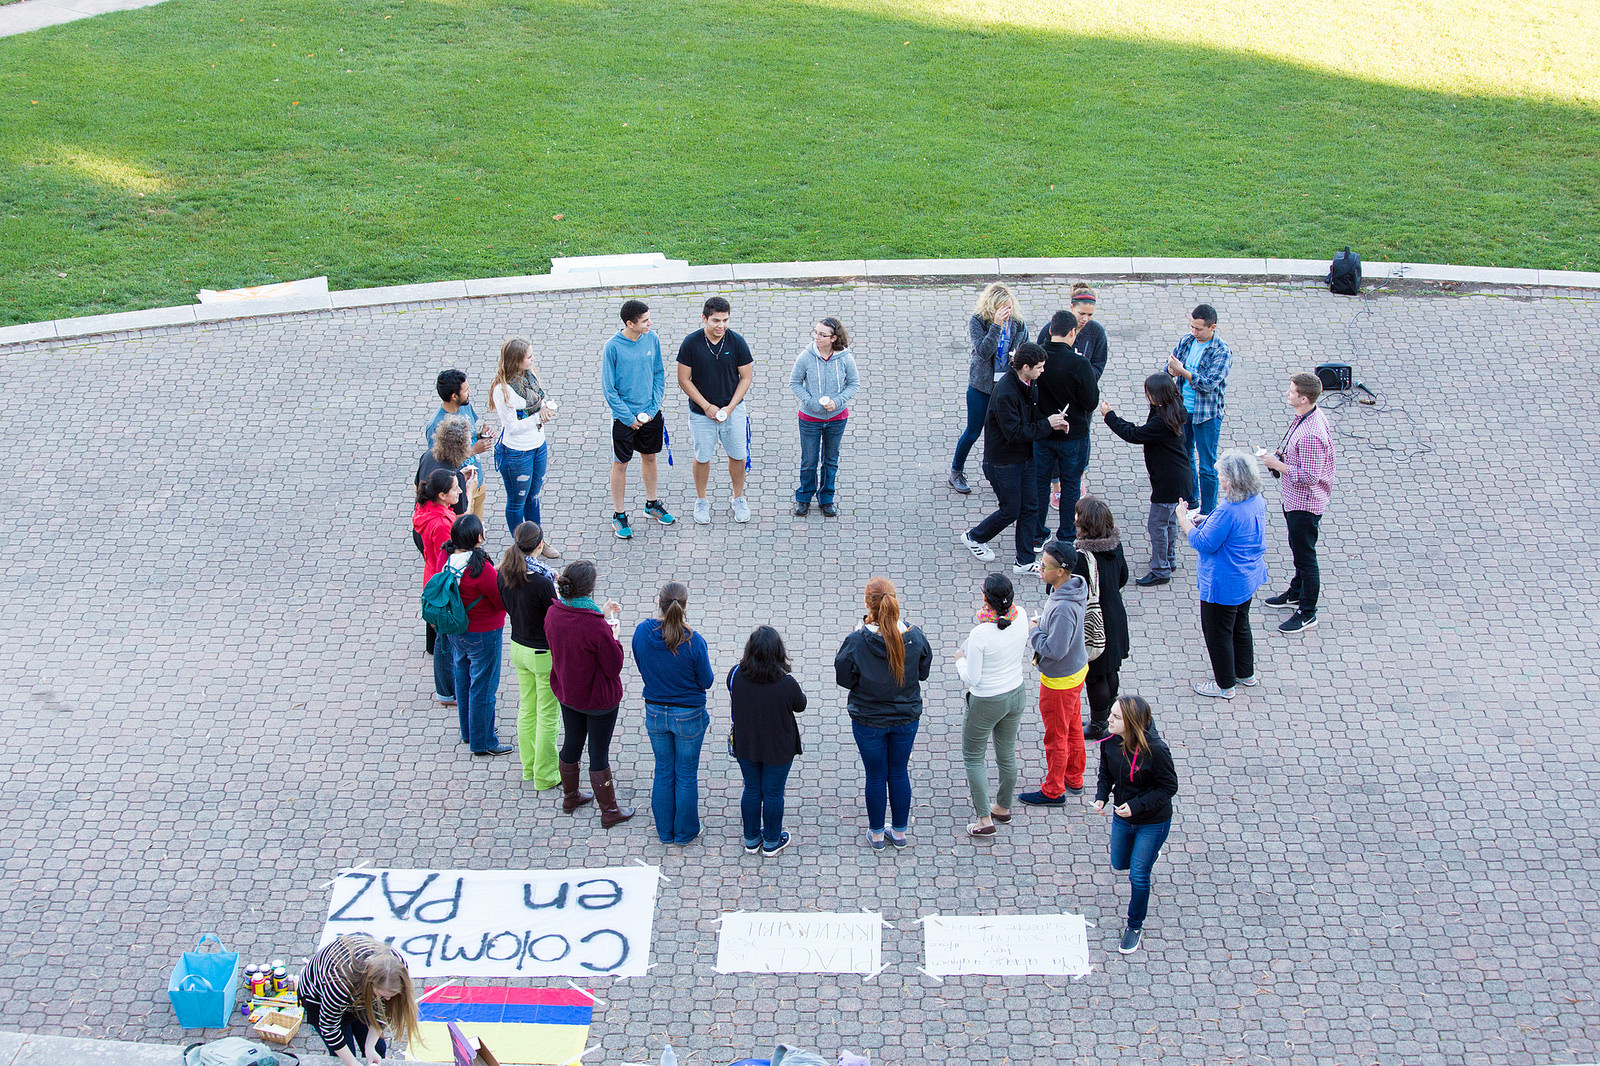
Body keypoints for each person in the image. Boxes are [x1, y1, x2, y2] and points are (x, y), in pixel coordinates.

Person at [835, 577, 932, 850]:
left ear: (868, 604)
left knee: (875, 775)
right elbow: (923, 672)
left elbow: (844, 677)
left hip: (868, 719)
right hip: (906, 717)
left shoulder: (856, 641)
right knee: (899, 772)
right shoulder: (914, 636)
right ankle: (899, 833)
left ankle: (877, 834)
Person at [957, 343, 1069, 574]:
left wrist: (1051, 421)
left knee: (1031, 506)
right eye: (1039, 367)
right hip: (1002, 463)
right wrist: (1048, 425)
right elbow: (1015, 433)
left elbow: (1031, 417)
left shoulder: (1029, 382)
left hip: (1024, 458)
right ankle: (974, 537)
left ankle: (1025, 560)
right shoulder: (1006, 392)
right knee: (1011, 509)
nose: (1043, 371)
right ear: (1025, 367)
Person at [545, 561, 633, 826]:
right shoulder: (595, 626)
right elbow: (613, 665)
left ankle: (570, 797)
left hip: (568, 693)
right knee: (598, 752)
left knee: (572, 742)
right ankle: (609, 811)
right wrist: (614, 636)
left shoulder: (553, 613)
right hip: (598, 700)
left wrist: (603, 616)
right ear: (590, 590)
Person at [1179, 449, 1268, 699]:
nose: (1219, 479)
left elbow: (1204, 543)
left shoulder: (1230, 510)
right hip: (1246, 578)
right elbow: (1221, 525)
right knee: (1240, 625)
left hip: (1223, 583)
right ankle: (1245, 673)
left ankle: (1224, 685)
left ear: (1234, 480)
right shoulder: (1254, 500)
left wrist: (1184, 519)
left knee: (1218, 633)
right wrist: (1205, 519)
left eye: (1222, 476)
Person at [1094, 696, 1179, 956]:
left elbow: (1169, 787)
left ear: (1131, 723)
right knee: (1120, 862)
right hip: (1123, 816)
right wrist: (1102, 795)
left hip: (1152, 820)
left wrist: (1137, 806)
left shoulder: (1157, 750)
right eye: (1111, 714)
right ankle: (1149, 852)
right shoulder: (1109, 742)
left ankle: (1134, 926)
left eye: (1116, 717)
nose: (1109, 720)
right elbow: (1105, 772)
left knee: (1138, 875)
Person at [632, 582, 714, 845]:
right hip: (688, 714)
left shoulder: (643, 632)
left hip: (655, 711)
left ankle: (665, 831)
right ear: (685, 606)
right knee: (686, 773)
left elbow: (640, 662)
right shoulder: (694, 641)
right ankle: (685, 832)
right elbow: (707, 681)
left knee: (664, 769)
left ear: (659, 602)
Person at [953, 573, 1030, 837]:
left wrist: (959, 660)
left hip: (986, 700)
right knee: (1006, 753)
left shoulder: (980, 634)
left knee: (974, 757)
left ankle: (984, 819)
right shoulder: (1021, 616)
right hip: (1016, 693)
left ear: (986, 598)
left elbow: (971, 678)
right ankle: (1003, 806)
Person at [1259, 372, 1336, 634]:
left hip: (1305, 503)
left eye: (1291, 392)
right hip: (1294, 499)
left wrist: (1278, 465)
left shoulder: (1312, 434)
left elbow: (1310, 476)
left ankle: (1307, 611)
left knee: (1305, 558)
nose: (1287, 394)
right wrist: (1283, 456)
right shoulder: (1305, 415)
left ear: (1304, 398)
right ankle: (1296, 591)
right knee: (1298, 549)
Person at [1100, 374, 1190, 588]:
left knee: (1157, 525)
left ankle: (1160, 569)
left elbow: (1134, 434)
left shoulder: (1161, 421)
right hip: (1178, 476)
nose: (1146, 396)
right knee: (1169, 522)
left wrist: (1110, 416)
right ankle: (1169, 560)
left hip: (1167, 481)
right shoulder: (1173, 407)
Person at [1021, 538, 1089, 805]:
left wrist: (1034, 630)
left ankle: (1053, 790)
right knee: (1073, 728)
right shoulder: (1071, 591)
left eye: (1044, 566)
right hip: (1075, 671)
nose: (1040, 569)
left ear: (1060, 571)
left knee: (1056, 736)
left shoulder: (1062, 607)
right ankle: (1074, 777)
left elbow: (1054, 649)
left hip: (1059, 680)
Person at [730, 625, 807, 856]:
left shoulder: (735, 675)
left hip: (746, 743)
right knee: (773, 793)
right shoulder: (786, 683)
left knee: (752, 789)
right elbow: (800, 705)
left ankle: (751, 838)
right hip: (778, 748)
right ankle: (772, 840)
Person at [677, 296, 754, 524]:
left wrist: (730, 408)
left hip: (733, 411)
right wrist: (706, 406)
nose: (721, 326)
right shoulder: (691, 343)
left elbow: (746, 377)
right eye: (716, 320)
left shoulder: (736, 341)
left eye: (725, 320)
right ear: (704, 318)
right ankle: (701, 500)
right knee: (702, 457)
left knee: (739, 455)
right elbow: (684, 379)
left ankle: (738, 498)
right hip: (702, 414)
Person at [602, 299, 673, 539]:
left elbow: (658, 374)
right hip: (624, 418)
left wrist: (653, 409)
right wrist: (627, 417)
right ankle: (619, 515)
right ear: (629, 323)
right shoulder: (612, 347)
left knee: (650, 456)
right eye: (644, 321)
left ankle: (651, 504)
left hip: (650, 414)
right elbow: (609, 389)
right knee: (621, 463)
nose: (650, 324)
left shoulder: (652, 338)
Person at [498, 521, 561, 788]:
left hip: (518, 648)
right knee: (548, 715)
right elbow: (555, 617)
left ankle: (528, 767)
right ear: (539, 545)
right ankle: (546, 775)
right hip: (543, 653)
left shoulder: (503, 572)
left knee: (527, 710)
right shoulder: (542, 582)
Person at [950, 283, 1028, 494]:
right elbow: (983, 352)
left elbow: (1024, 351)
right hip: (981, 386)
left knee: (1006, 432)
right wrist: (996, 325)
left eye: (1009, 308)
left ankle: (1002, 474)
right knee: (974, 431)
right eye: (1001, 309)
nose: (1006, 313)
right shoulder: (978, 321)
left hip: (1007, 386)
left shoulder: (1019, 324)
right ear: (991, 308)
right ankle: (956, 470)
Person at [1032, 310, 1100, 549]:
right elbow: (1091, 402)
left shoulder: (1037, 357)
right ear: (1072, 333)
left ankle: (1037, 534)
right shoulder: (1080, 363)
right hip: (1073, 434)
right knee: (1071, 484)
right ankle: (1068, 535)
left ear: (1050, 330)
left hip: (1042, 432)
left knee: (1040, 482)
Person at [446, 515, 512, 756]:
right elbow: (500, 600)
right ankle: (483, 741)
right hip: (484, 633)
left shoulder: (450, 559)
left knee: (463, 680)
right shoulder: (480, 569)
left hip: (457, 631)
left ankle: (468, 731)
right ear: (479, 538)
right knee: (483, 687)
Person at [299, 934, 420, 1066]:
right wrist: (352, 1063)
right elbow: (329, 1027)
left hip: (357, 992)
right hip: (319, 996)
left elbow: (384, 1010)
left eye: (392, 995)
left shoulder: (397, 967)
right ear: (370, 983)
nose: (388, 999)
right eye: (383, 995)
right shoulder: (340, 983)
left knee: (378, 1048)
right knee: (344, 1056)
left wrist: (370, 1047)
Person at [490, 337, 561, 557]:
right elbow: (511, 426)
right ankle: (521, 548)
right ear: (517, 360)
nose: (533, 359)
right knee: (517, 501)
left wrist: (545, 409)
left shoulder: (529, 377)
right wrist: (539, 417)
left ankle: (537, 540)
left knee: (534, 496)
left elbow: (537, 402)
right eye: (529, 356)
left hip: (538, 446)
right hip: (516, 453)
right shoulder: (503, 391)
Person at [1165, 304, 1233, 515]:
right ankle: (1191, 499)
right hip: (1183, 410)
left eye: (1199, 329)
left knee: (1207, 465)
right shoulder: (1187, 341)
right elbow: (1170, 367)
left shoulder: (1221, 351)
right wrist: (1170, 369)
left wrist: (1181, 371)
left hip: (1207, 415)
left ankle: (1208, 511)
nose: (1194, 332)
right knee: (1185, 458)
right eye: (1192, 327)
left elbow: (1208, 383)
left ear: (1213, 327)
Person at [1071, 497, 1130, 741]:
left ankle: (1098, 724)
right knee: (1111, 668)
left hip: (1096, 621)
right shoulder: (1115, 546)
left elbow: (1072, 590)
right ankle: (1111, 714)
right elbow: (1123, 576)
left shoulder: (1082, 557)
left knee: (1095, 675)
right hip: (1115, 615)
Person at [789, 316, 860, 517]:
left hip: (837, 418)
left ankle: (826, 498)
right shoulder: (805, 357)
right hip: (810, 418)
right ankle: (804, 498)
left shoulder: (845, 358)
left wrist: (837, 402)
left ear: (833, 338)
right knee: (809, 461)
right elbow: (794, 382)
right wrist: (811, 402)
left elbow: (854, 384)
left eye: (822, 334)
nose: (817, 337)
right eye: (816, 332)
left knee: (830, 460)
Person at [414, 469, 461, 707]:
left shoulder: (426, 511)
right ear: (442, 495)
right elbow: (449, 560)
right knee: (445, 642)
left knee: (444, 639)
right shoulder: (442, 525)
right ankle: (447, 691)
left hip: (430, 579)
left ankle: (447, 689)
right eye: (455, 489)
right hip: (442, 589)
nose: (460, 491)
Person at [425, 368, 495, 520]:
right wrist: (473, 450)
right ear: (454, 396)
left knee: (476, 532)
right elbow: (440, 465)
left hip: (476, 481)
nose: (469, 392)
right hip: (456, 492)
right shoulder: (436, 425)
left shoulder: (465, 406)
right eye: (466, 390)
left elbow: (467, 436)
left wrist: (480, 435)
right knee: (463, 535)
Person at [1035, 282, 1109, 380]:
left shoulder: (1097, 332)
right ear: (1071, 307)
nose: (1085, 319)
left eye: (1090, 315)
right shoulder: (1054, 326)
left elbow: (1098, 365)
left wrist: (1085, 381)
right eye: (1081, 313)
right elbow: (1038, 357)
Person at [415, 414, 475, 518]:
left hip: (423, 522)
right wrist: (469, 489)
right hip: (442, 530)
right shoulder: (455, 476)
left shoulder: (428, 455)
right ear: (461, 447)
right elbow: (461, 518)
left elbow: (416, 487)